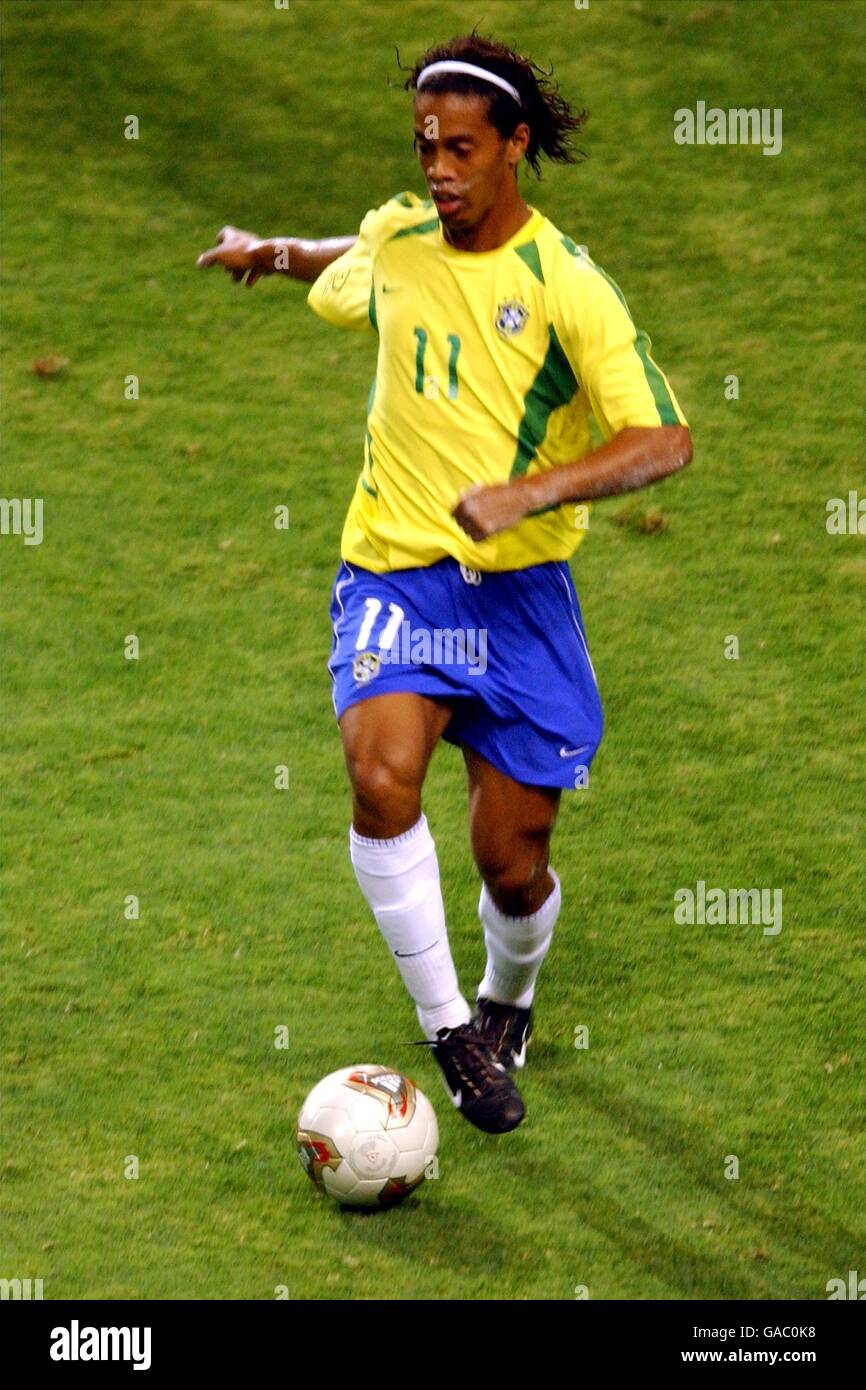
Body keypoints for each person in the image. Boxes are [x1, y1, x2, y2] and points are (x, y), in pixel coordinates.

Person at [197, 33, 692, 1135]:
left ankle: (506, 993)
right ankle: (449, 1036)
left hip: (517, 599)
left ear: (514, 145)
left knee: (509, 867)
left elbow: (663, 440)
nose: (438, 169)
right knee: (380, 780)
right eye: (425, 146)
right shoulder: (403, 236)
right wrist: (266, 252)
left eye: (461, 149)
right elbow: (353, 254)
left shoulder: (565, 285)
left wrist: (532, 493)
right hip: (394, 571)